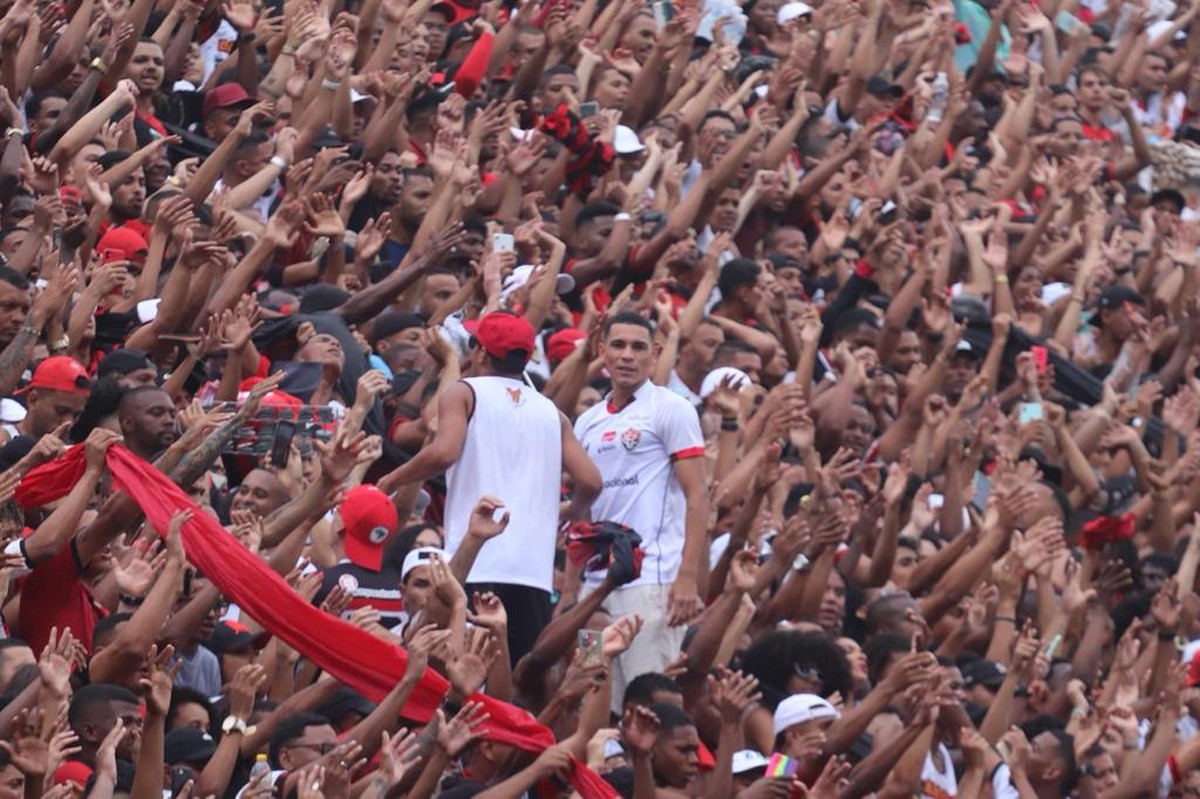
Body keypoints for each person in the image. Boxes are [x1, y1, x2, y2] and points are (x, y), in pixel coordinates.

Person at [378, 311, 601, 661]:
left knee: (461, 677)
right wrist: (570, 511)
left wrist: (391, 479)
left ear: (480, 352)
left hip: (475, 566)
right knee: (510, 684)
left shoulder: (464, 392)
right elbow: (590, 481)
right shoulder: (550, 412)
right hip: (533, 575)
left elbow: (444, 451)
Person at [574, 311, 709, 706]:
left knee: (647, 701)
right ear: (602, 351)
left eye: (638, 347)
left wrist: (686, 578)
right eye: (618, 345)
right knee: (591, 698)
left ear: (656, 352)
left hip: (653, 581)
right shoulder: (587, 422)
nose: (627, 355)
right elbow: (583, 512)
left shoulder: (671, 409)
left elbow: (698, 495)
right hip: (595, 586)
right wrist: (571, 588)